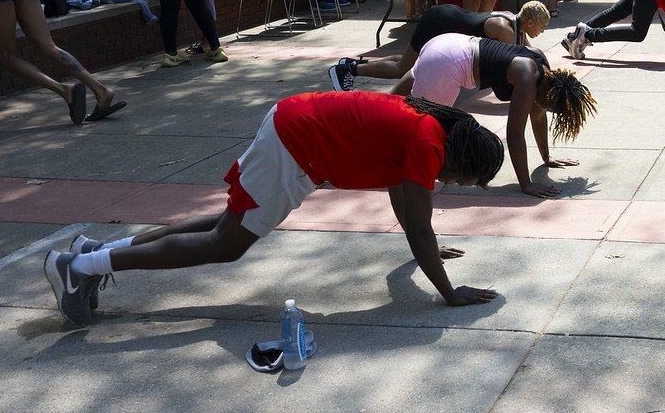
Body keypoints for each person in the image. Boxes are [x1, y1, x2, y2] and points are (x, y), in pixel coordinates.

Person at [42, 93, 506, 325]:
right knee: (226, 246)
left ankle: (97, 250)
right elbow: (421, 225)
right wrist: (448, 293)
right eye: (468, 180)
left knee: (226, 223)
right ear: (464, 160)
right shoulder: (428, 145)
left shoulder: (429, 127)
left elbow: (404, 203)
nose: (459, 184)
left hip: (293, 124)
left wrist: (423, 251)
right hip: (298, 147)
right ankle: (78, 266)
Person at [403, 36, 595, 198]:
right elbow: (514, 136)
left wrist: (546, 156)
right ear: (549, 97)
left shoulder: (542, 67)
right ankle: (402, 166)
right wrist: (526, 184)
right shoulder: (527, 80)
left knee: (394, 102)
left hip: (447, 43)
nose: (548, 110)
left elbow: (537, 116)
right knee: (424, 125)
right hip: (446, 63)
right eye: (553, 108)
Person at [331, 0, 550, 92]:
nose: (542, 32)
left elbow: (527, 52)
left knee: (407, 62)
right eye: (542, 27)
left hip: (447, 15)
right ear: (529, 22)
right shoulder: (505, 29)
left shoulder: (514, 19)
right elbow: (517, 60)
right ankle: (347, 70)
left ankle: (351, 64)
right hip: (439, 22)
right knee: (404, 70)